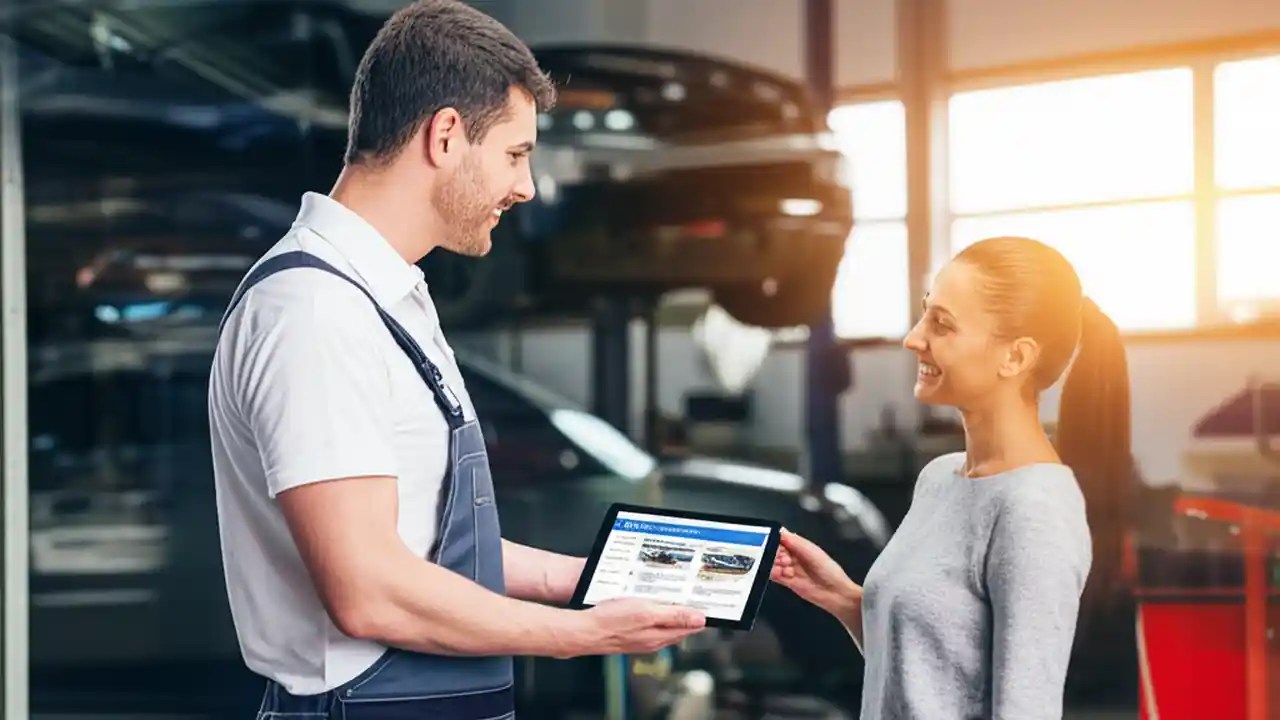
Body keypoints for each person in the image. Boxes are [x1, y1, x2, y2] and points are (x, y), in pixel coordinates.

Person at [207, 2, 704, 718]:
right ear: (445, 135)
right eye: (515, 154)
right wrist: (581, 636)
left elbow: (430, 544)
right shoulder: (316, 313)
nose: (526, 187)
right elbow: (369, 589)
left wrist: (593, 580)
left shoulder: (387, 298)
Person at [771, 236, 1134, 719]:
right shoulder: (940, 479)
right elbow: (932, 669)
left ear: (1016, 357)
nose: (913, 337)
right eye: (925, 314)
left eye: (941, 324)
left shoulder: (1035, 511)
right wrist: (842, 597)